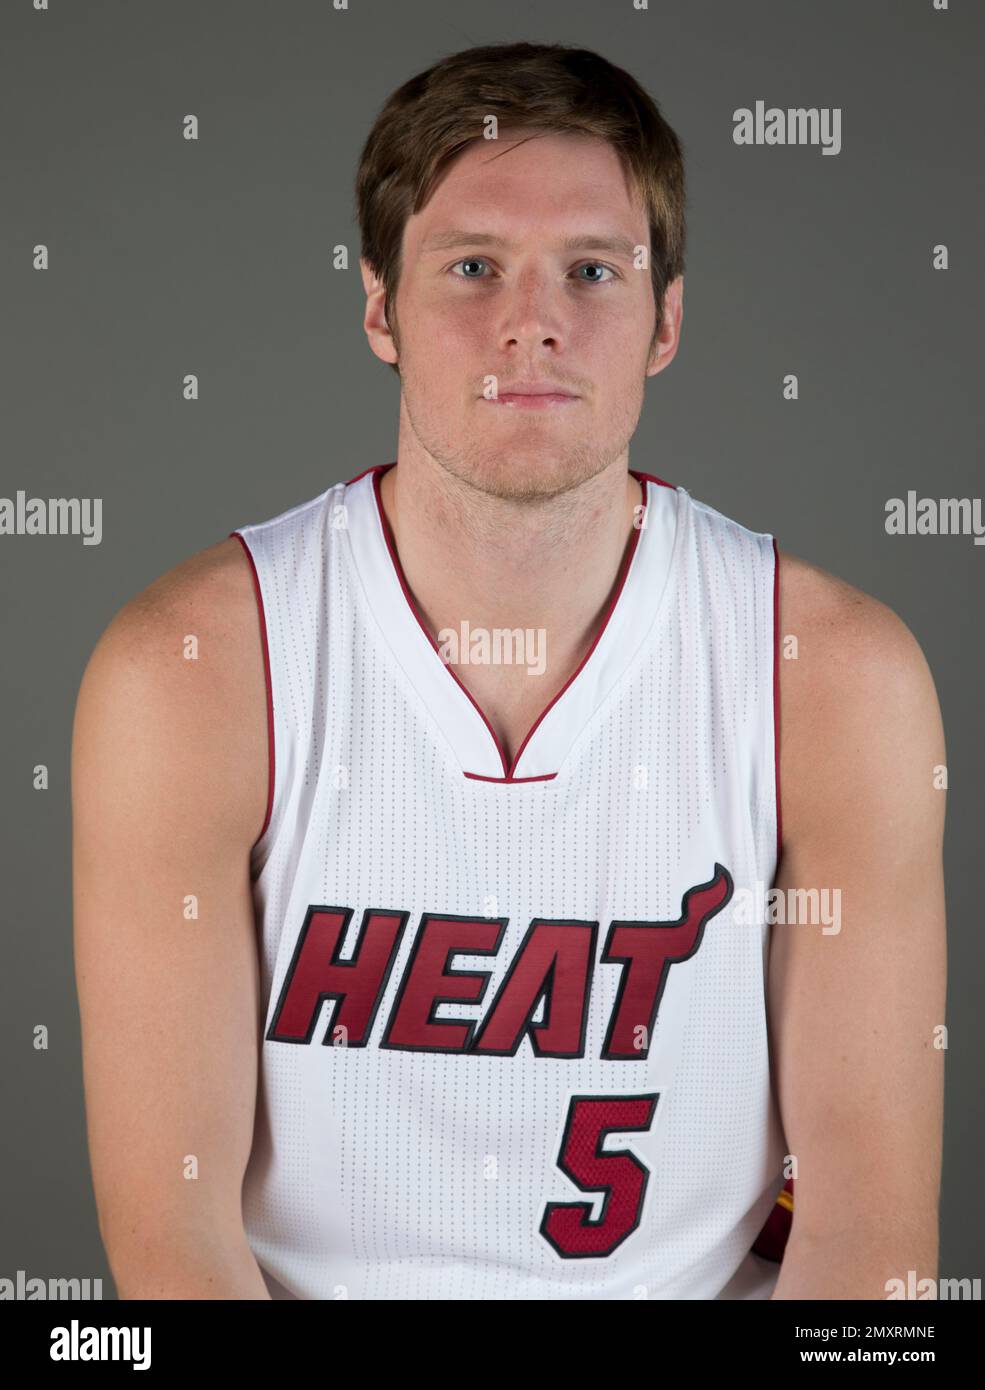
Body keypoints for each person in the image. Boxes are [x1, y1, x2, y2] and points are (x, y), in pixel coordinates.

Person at [72, 41, 945, 1300]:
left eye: (592, 270)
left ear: (666, 319)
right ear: (379, 306)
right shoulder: (196, 670)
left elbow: (869, 1241)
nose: (532, 320)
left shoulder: (832, 677)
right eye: (472, 266)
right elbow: (172, 1240)